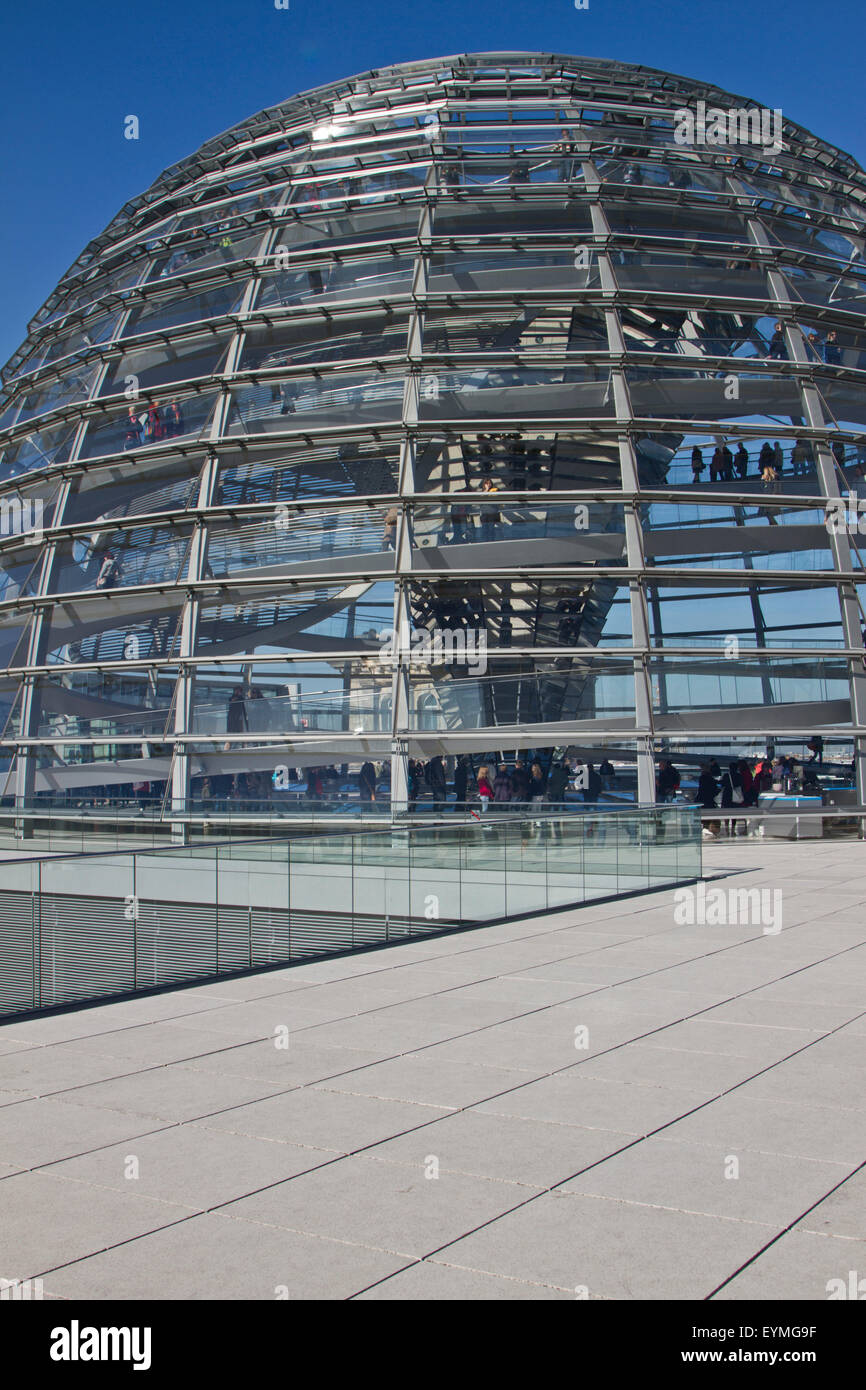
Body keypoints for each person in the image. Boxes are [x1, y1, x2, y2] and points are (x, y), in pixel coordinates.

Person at [719, 760, 745, 836]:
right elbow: (741, 785)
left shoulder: (726, 776)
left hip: (727, 796)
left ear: (729, 768)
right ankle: (732, 829)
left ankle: (727, 829)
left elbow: (722, 784)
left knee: (726, 813)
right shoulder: (739, 776)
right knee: (734, 814)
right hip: (735, 796)